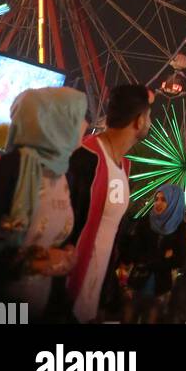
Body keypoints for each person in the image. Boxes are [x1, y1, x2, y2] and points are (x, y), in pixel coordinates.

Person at [0, 86, 88, 321]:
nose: (84, 125)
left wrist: (66, 252)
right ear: (55, 123)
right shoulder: (8, 170)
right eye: (78, 117)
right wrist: (32, 262)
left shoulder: (64, 175)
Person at [66, 82, 152, 323]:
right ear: (138, 121)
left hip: (94, 299)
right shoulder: (85, 158)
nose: (150, 123)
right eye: (149, 116)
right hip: (66, 296)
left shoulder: (125, 167)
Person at [121, 184, 186, 323]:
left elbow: (179, 259)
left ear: (174, 202)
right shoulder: (146, 221)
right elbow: (134, 252)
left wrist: (150, 259)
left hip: (160, 289)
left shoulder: (179, 227)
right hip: (137, 284)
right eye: (156, 199)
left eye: (164, 200)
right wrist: (163, 256)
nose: (158, 203)